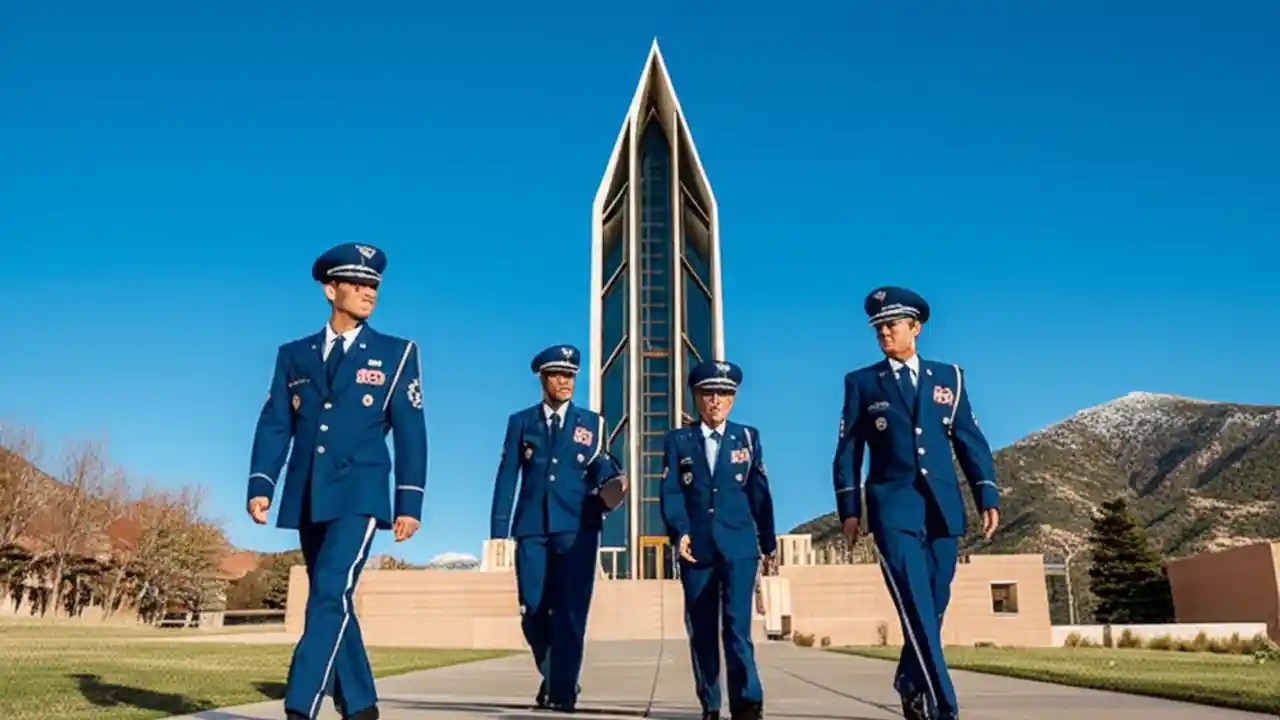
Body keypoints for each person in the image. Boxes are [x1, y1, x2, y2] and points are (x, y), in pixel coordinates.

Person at [246, 242, 427, 720]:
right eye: (360, 284)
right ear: (331, 289)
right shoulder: (294, 356)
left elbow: (411, 432)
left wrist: (410, 501)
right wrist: (261, 483)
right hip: (308, 492)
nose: (370, 293)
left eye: (375, 286)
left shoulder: (397, 353)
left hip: (361, 493)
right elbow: (275, 423)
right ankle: (362, 707)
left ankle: (299, 705)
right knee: (334, 595)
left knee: (328, 589)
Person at [831, 286, 999, 720]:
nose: (884, 332)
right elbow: (848, 450)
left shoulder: (950, 378)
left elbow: (969, 440)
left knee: (935, 603)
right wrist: (850, 511)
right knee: (917, 607)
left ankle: (909, 678)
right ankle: (944, 706)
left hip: (943, 510)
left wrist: (986, 493)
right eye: (878, 327)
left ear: (915, 328)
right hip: (893, 509)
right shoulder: (863, 383)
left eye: (891, 325)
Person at [488, 344, 626, 712]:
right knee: (532, 609)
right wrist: (499, 531)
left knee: (570, 613)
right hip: (532, 527)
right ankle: (554, 674)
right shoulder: (521, 422)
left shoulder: (592, 422)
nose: (566, 382)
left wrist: (614, 481)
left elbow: (601, 463)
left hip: (578, 527)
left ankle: (562, 692)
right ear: (542, 378)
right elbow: (506, 477)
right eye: (558, 375)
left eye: (570, 376)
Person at [660, 360, 776, 720]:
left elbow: (760, 493)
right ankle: (710, 702)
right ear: (696, 397)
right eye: (708, 394)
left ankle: (747, 702)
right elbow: (671, 493)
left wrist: (769, 543)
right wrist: (679, 532)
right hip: (696, 549)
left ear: (734, 398)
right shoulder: (678, 441)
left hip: (740, 547)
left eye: (724, 394)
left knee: (737, 626)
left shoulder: (748, 437)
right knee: (702, 629)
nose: (716, 401)